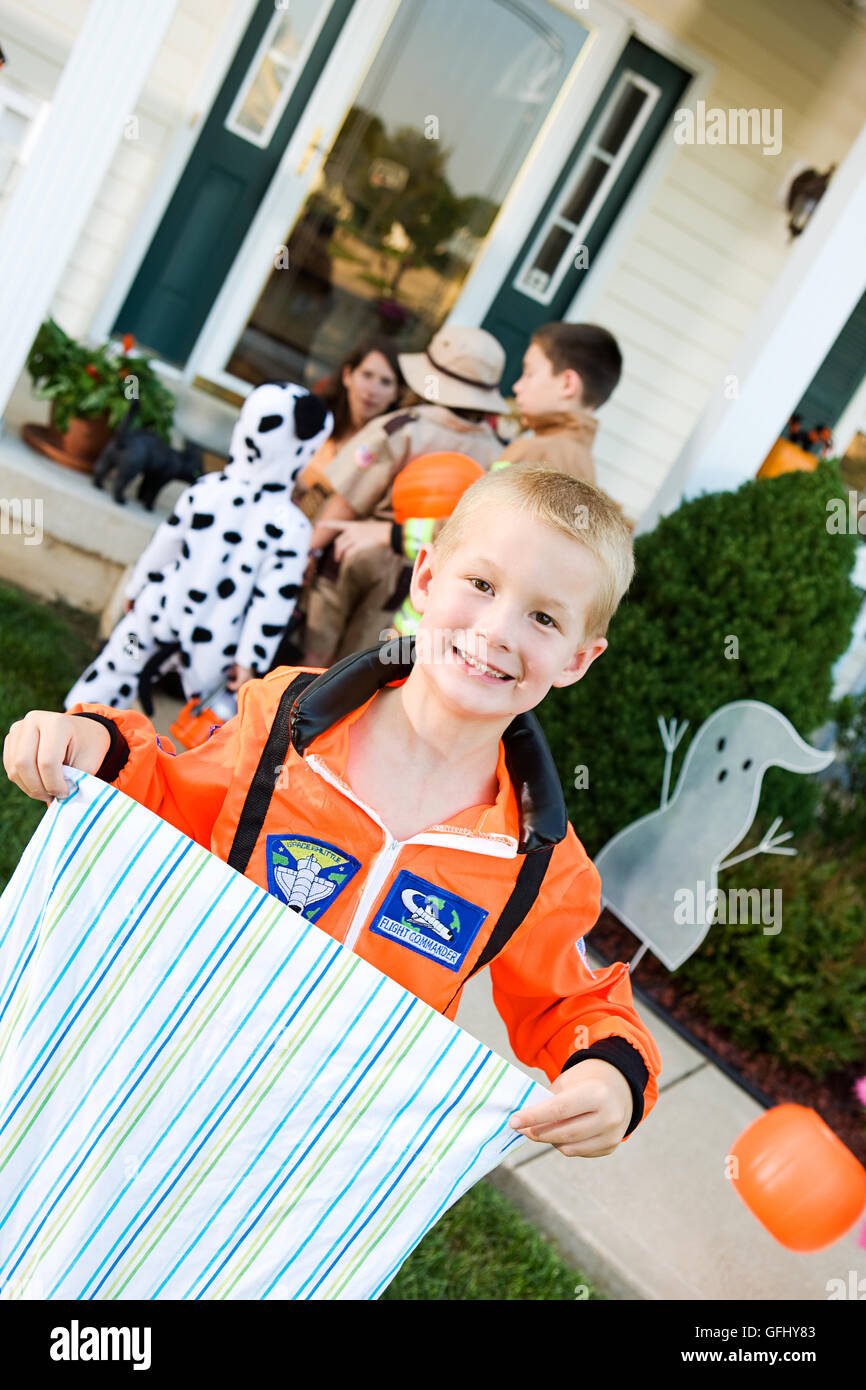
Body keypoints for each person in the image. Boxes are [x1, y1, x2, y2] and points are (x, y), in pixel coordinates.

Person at [6, 463, 661, 1157]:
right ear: (426, 578)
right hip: (165, 1059)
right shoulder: (287, 725)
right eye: (481, 584)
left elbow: (572, 1002)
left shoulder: (537, 860)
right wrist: (92, 745)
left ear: (577, 660)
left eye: (543, 618)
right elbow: (170, 795)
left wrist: (609, 1077)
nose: (498, 630)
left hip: (315, 1148)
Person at [327, 321, 625, 644]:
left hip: (430, 634)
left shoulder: (534, 453)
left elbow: (475, 530)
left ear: (567, 384)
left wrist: (390, 534)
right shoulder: (580, 461)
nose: (518, 387)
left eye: (529, 373)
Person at [300, 325, 507, 667]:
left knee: (314, 658)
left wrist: (308, 549)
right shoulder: (497, 453)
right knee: (361, 667)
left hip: (354, 552)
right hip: (419, 577)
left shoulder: (403, 427)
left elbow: (348, 500)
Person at [292, 338, 404, 523]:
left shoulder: (390, 448)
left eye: (385, 382)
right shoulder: (316, 418)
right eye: (367, 375)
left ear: (396, 393)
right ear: (348, 376)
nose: (372, 390)